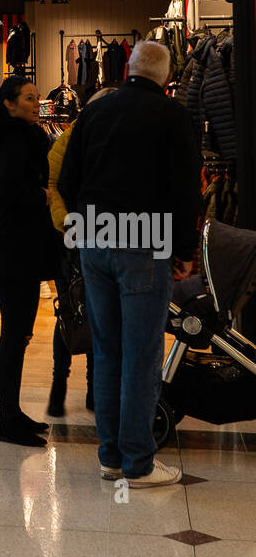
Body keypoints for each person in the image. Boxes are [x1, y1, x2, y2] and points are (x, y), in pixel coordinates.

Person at [58, 40, 201, 486]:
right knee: (141, 355)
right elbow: (185, 191)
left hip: (95, 240)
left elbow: (67, 179)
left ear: (128, 70)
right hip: (146, 242)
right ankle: (137, 462)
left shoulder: (96, 112)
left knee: (107, 351)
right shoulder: (173, 116)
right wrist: (183, 252)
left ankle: (111, 457)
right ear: (166, 75)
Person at [0, 77, 59, 447]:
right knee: (14, 333)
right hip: (12, 247)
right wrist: (46, 195)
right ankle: (8, 420)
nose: (37, 103)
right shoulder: (13, 139)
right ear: (8, 103)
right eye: (28, 98)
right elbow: (10, 190)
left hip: (17, 245)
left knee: (19, 333)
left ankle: (13, 412)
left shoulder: (22, 136)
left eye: (38, 97)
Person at [44, 92, 112, 417]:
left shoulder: (115, 139)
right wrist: (66, 222)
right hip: (70, 238)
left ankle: (93, 390)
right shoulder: (70, 137)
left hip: (104, 237)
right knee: (70, 311)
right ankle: (59, 385)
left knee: (99, 315)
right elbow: (51, 183)